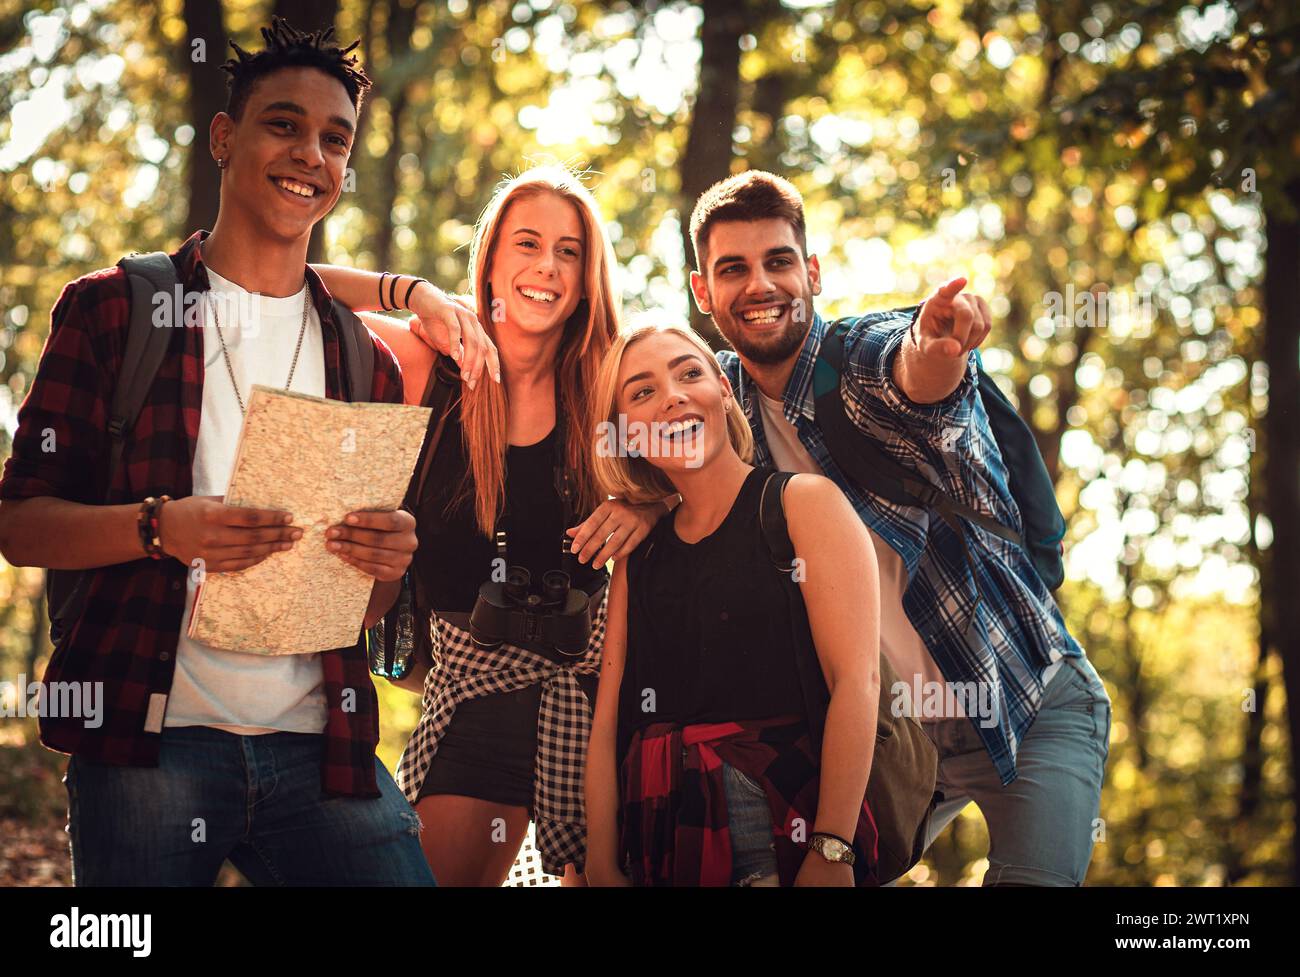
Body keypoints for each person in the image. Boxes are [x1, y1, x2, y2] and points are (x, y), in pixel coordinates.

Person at [0, 17, 434, 886]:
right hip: (148, 740)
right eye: (284, 124)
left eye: (334, 138)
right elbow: (19, 525)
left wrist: (389, 560)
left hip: (326, 749)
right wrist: (160, 529)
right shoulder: (116, 311)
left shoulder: (368, 361)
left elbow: (368, 602)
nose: (311, 152)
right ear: (226, 138)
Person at [681, 170, 1111, 886]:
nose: (760, 284)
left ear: (811, 272)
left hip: (1030, 701)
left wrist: (937, 347)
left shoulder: (855, 361)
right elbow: (655, 445)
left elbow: (908, 372)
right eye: (734, 268)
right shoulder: (726, 412)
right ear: (704, 292)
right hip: (899, 742)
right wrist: (628, 501)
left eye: (779, 261)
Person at [313, 164, 668, 885]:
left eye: (568, 251)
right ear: (492, 259)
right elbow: (278, 286)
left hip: (599, 700)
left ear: (588, 272)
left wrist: (650, 502)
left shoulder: (612, 378)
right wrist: (411, 294)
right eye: (527, 244)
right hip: (475, 689)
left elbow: (714, 462)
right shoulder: (429, 364)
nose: (547, 267)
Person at [583, 323, 882, 886]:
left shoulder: (801, 505)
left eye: (689, 373)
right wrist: (601, 859)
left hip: (775, 822)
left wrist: (831, 846)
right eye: (642, 391)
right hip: (655, 835)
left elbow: (857, 682)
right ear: (624, 432)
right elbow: (607, 724)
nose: (672, 395)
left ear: (723, 388)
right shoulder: (637, 558)